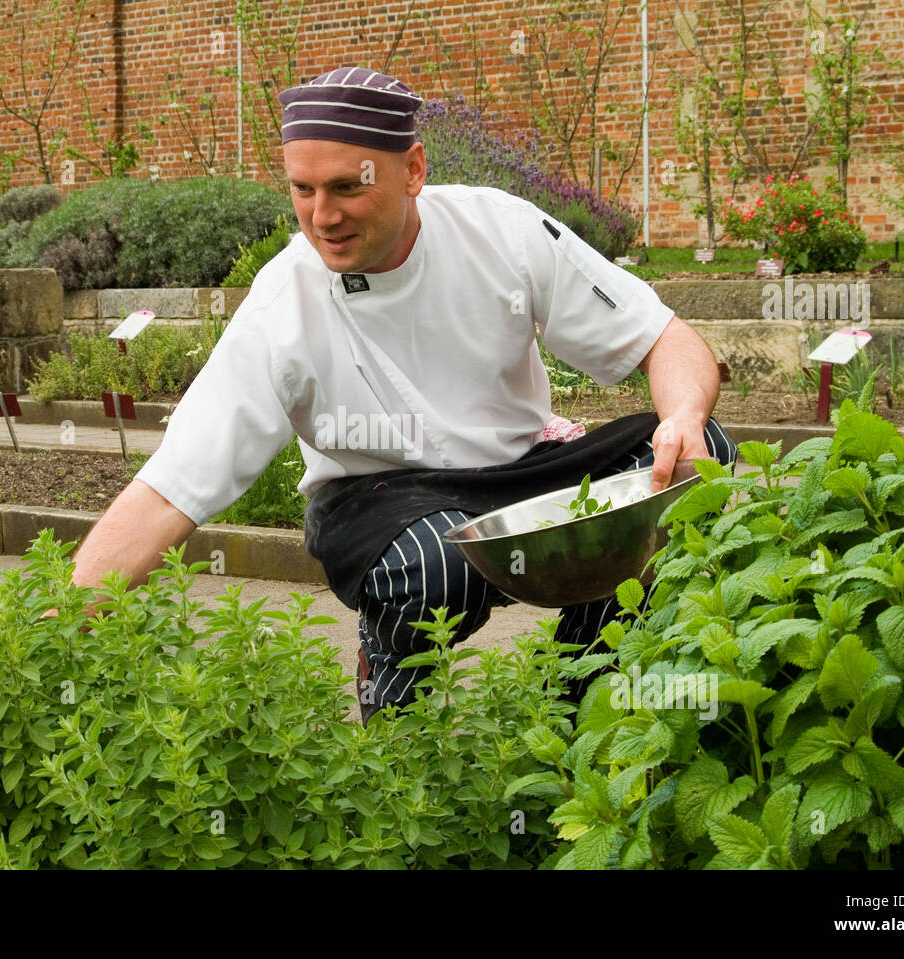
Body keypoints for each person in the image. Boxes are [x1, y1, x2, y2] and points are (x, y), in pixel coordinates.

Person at [69, 66, 736, 723]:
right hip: (376, 500)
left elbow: (666, 340)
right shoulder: (282, 305)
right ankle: (391, 709)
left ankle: (575, 708)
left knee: (698, 460)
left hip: (519, 468)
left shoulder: (501, 231)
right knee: (437, 564)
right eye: (302, 189)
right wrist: (57, 626)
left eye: (343, 188)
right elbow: (172, 486)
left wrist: (681, 416)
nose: (320, 217)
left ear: (412, 169)